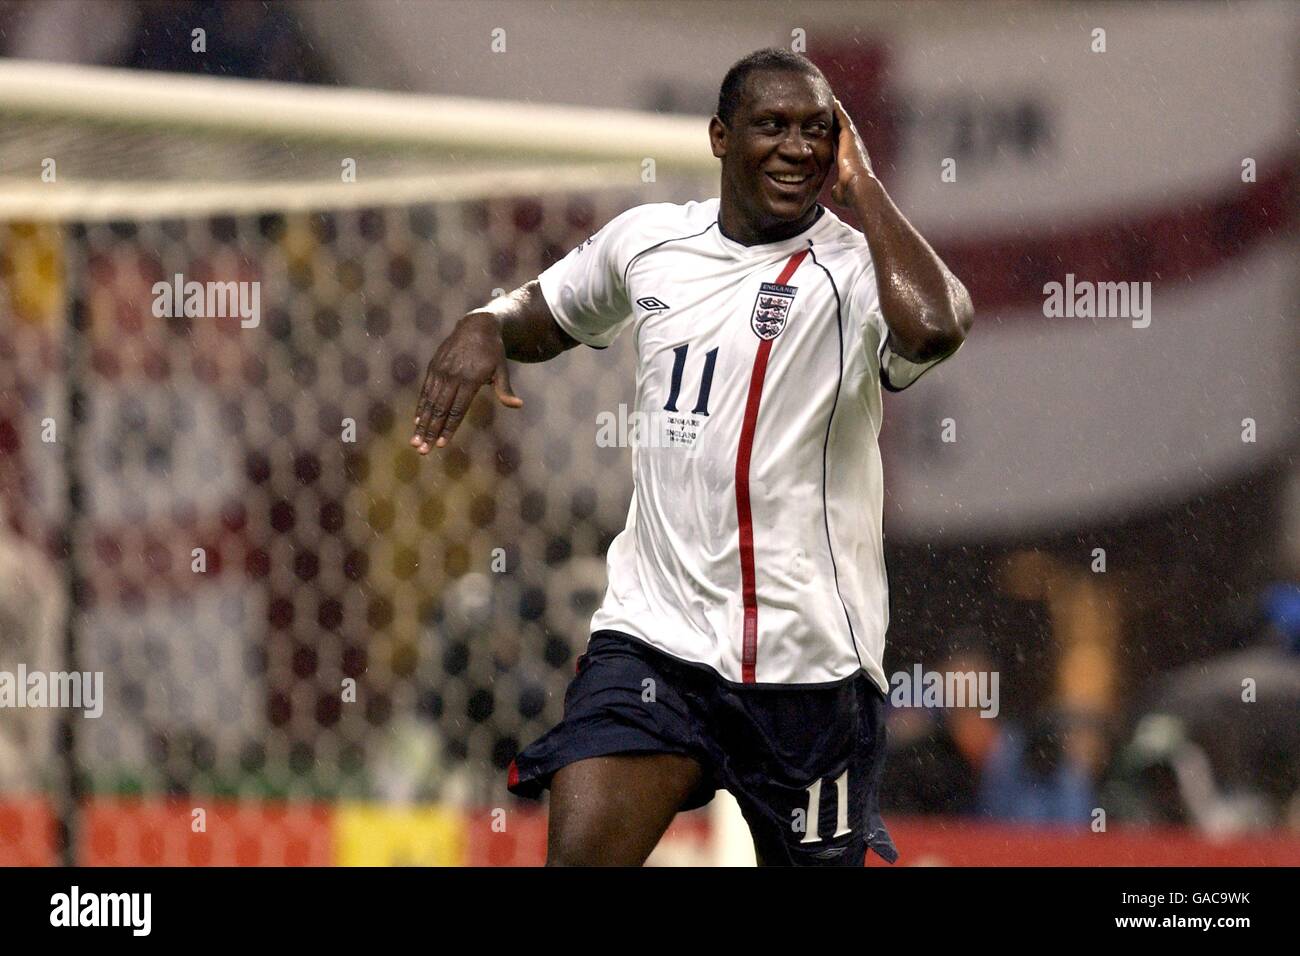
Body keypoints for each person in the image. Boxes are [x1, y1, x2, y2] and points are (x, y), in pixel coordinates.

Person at [411, 49, 972, 866]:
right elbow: (550, 308)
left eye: (818, 131)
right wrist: (486, 323)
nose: (798, 148)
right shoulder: (652, 243)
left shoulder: (856, 270)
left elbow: (936, 326)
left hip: (807, 668)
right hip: (656, 645)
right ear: (719, 136)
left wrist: (865, 192)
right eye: (772, 126)